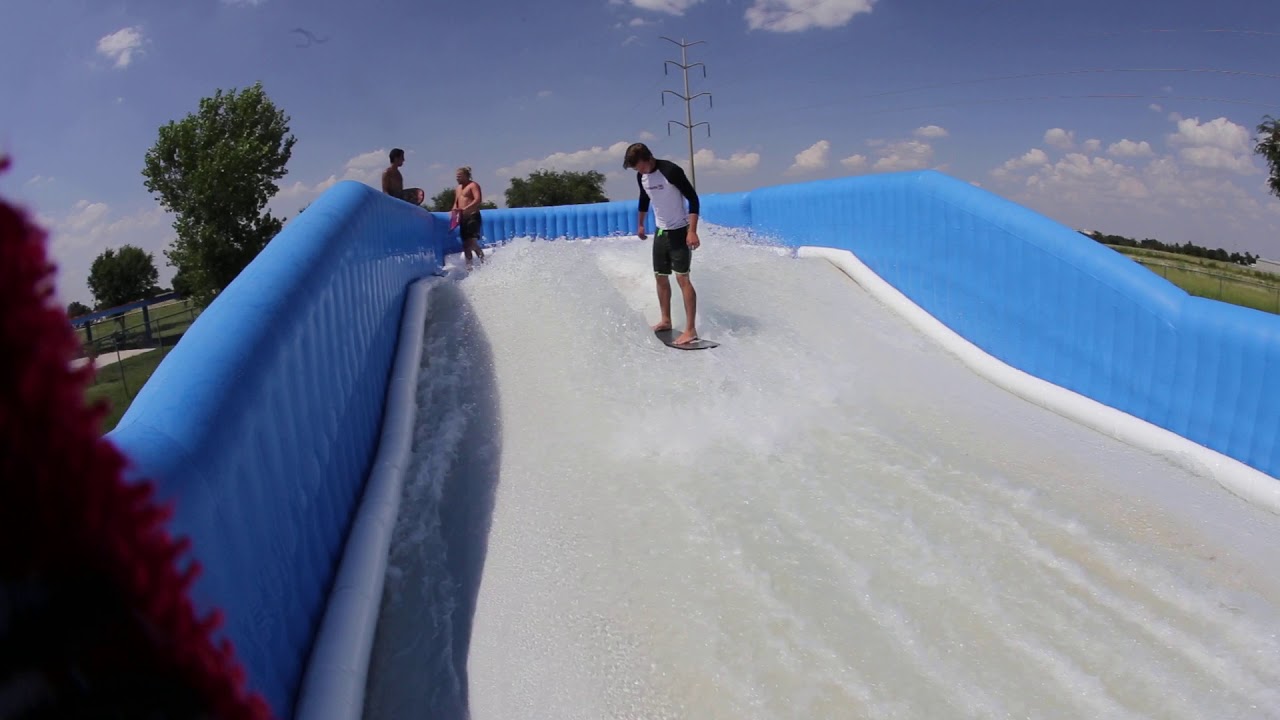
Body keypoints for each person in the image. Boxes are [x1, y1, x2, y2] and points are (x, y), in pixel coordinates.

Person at [623, 142, 701, 346]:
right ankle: (666, 320)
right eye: (635, 169)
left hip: (679, 230)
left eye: (639, 166)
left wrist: (692, 231)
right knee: (660, 277)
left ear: (648, 158)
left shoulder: (671, 171)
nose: (638, 171)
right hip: (660, 231)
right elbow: (644, 198)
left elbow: (693, 199)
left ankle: (690, 330)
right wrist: (640, 224)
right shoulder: (641, 176)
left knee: (682, 278)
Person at [451, 166, 485, 270]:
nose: (457, 178)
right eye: (457, 177)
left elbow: (478, 200)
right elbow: (456, 202)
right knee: (465, 245)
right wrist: (453, 212)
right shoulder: (458, 188)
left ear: (466, 176)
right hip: (463, 218)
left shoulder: (473, 185)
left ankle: (484, 262)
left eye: (459, 176)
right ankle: (469, 268)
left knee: (471, 243)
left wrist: (466, 208)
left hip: (472, 216)